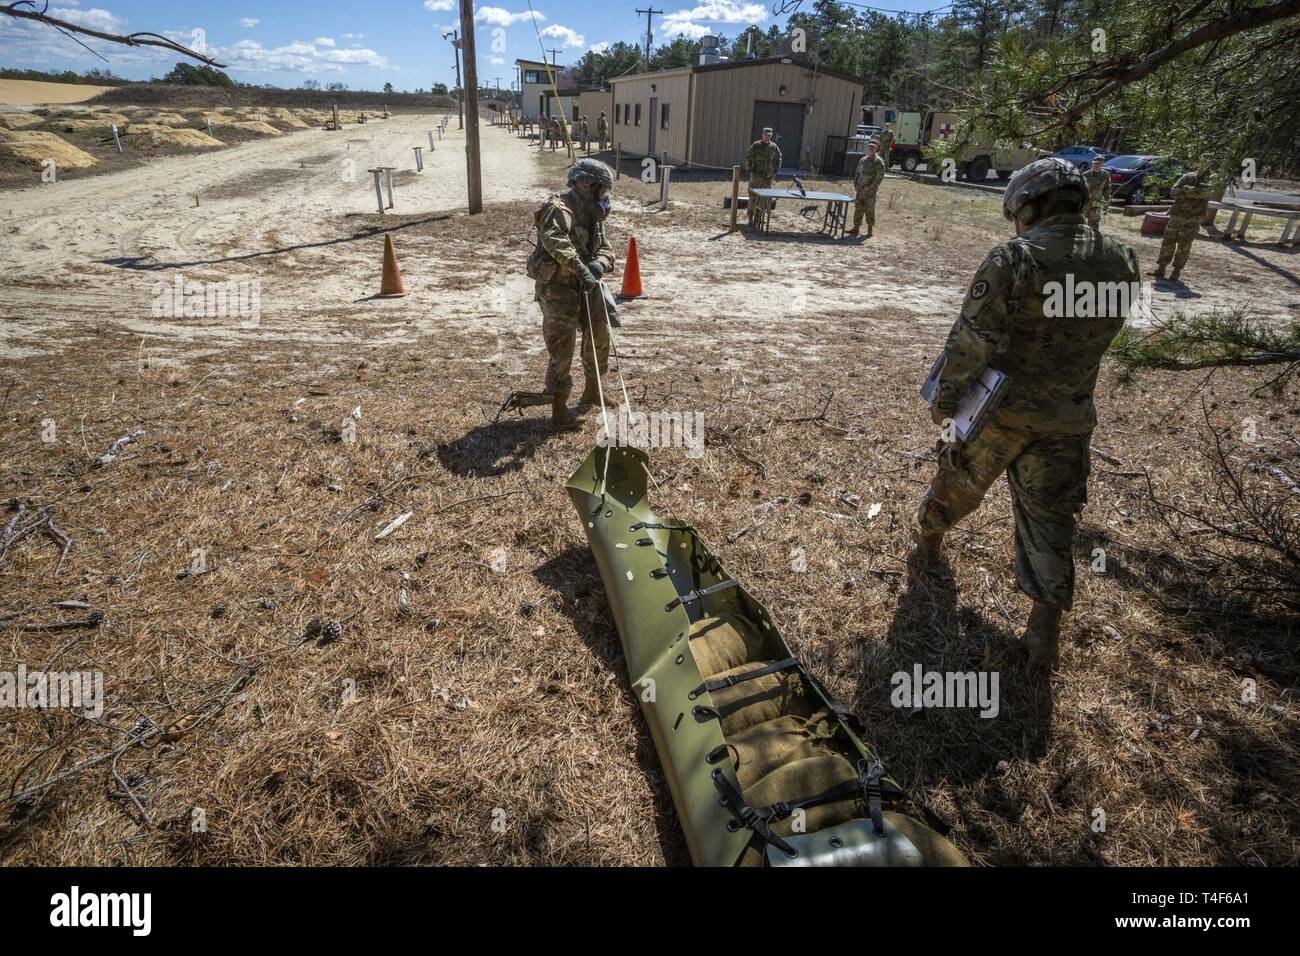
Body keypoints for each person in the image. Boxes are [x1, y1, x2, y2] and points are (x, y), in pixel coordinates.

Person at [911, 157, 1141, 671]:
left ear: (1028, 207)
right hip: (1067, 418)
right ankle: (1043, 632)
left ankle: (927, 545)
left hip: (999, 413)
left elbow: (971, 340)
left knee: (956, 484)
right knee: (1051, 518)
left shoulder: (1014, 258)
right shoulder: (1121, 259)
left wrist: (946, 402)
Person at [526, 159, 617, 431]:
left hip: (586, 286)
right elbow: (555, 241)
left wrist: (599, 265)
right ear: (585, 185)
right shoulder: (558, 208)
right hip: (558, 289)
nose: (604, 197)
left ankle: (593, 389)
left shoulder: (592, 215)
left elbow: (607, 249)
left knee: (600, 334)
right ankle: (559, 409)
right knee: (562, 347)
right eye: (602, 190)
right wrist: (580, 268)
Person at [1150, 162, 1216, 282]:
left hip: (1193, 218)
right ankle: (1161, 268)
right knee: (1168, 242)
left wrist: (1185, 189)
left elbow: (1203, 193)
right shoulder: (1188, 176)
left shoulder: (1212, 179)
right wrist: (1191, 191)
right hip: (1177, 215)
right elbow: (1173, 191)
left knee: (1184, 245)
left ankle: (1176, 271)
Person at [745, 127, 782, 227]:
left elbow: (778, 159)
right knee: (753, 198)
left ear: (771, 136)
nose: (767, 137)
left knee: (764, 199)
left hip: (767, 179)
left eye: (769, 135)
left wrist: (775, 172)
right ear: (762, 135)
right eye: (766, 135)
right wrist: (751, 171)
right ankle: (750, 219)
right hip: (756, 177)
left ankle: (758, 218)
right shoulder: (756, 145)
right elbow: (748, 157)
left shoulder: (774, 147)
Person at [847, 141, 886, 237]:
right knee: (858, 209)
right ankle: (856, 228)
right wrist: (855, 184)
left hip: (870, 192)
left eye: (873, 147)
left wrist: (869, 187)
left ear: (876, 149)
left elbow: (879, 177)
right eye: (869, 147)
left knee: (870, 210)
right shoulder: (863, 160)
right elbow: (857, 173)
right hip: (860, 190)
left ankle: (869, 230)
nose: (871, 149)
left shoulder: (878, 162)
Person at [1082, 155, 1111, 227]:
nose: (1096, 165)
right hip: (1085, 203)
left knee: (1094, 224)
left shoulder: (1105, 175)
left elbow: (1107, 189)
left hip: (1097, 203)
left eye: (1098, 163)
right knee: (1081, 222)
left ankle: (1093, 234)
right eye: (1094, 163)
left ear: (1102, 165)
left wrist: (1106, 203)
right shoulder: (1085, 175)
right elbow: (1080, 188)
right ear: (1092, 164)